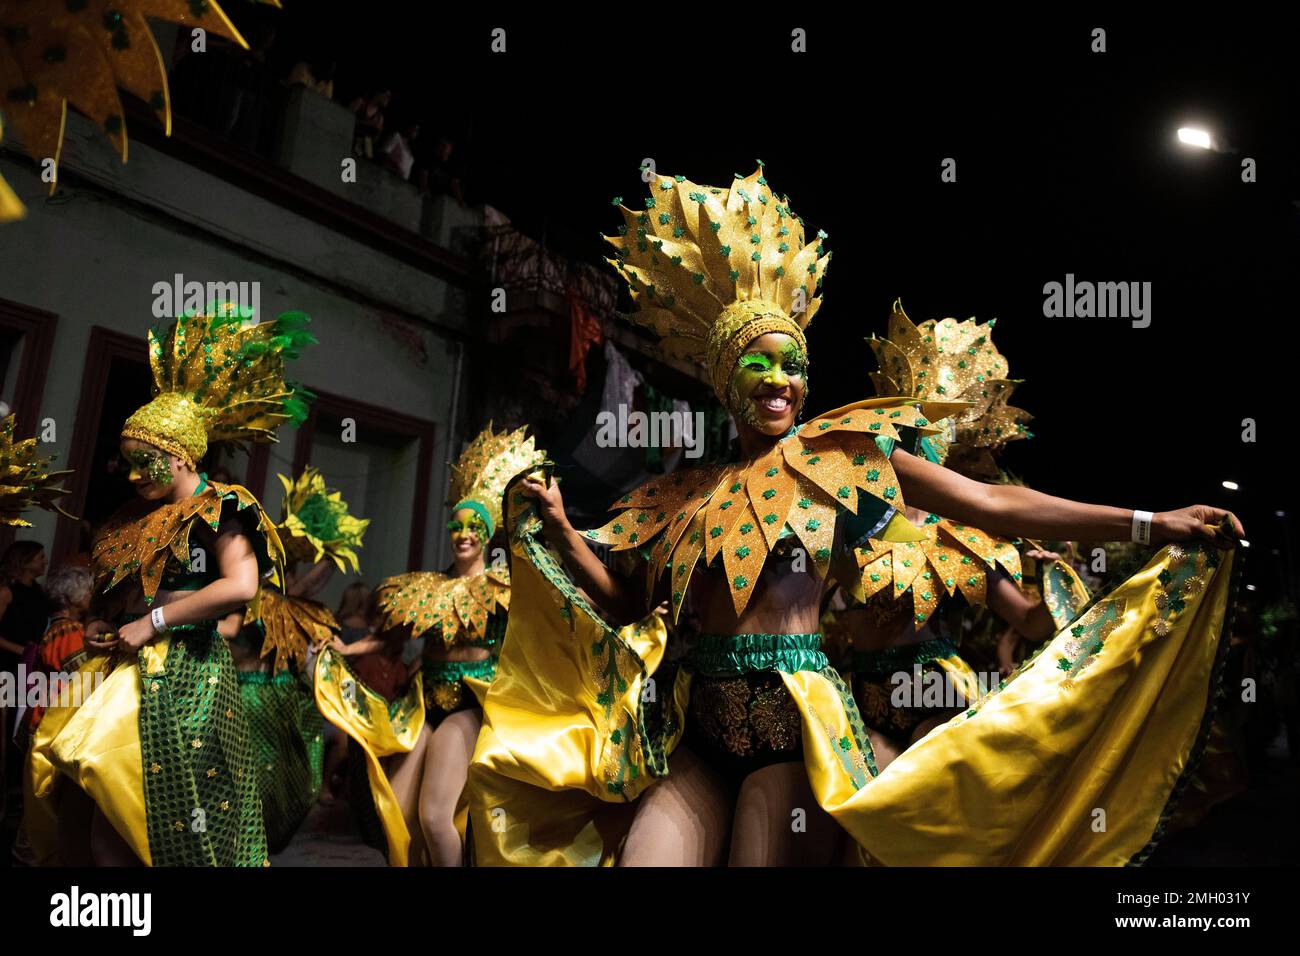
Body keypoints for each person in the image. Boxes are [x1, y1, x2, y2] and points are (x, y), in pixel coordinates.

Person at [466, 162, 1244, 866]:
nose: (781, 380)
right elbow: (634, 609)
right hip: (695, 727)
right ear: (722, 376)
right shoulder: (681, 493)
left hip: (793, 728)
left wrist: (1152, 522)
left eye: (794, 364)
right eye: (759, 362)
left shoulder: (843, 457)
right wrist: (566, 534)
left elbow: (993, 504)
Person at [26, 303, 316, 866]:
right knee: (80, 805)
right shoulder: (134, 519)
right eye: (128, 463)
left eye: (147, 464)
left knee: (131, 825)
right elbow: (125, 599)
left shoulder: (223, 509)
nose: (133, 476)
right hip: (126, 669)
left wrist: (154, 622)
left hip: (185, 674)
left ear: (181, 455)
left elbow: (240, 585)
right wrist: (104, 628)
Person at [317, 423, 547, 866]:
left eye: (474, 526)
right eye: (456, 525)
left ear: (487, 533)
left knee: (436, 817)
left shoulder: (504, 588)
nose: (464, 533)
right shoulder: (424, 589)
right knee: (398, 814)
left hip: (469, 702)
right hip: (423, 700)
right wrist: (346, 651)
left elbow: (545, 630)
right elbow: (389, 641)